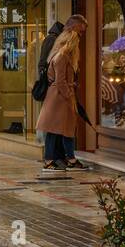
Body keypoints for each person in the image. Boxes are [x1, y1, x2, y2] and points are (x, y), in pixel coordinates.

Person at [38, 17, 85, 174]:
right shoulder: (62, 56)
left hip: (60, 97)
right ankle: (51, 160)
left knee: (65, 129)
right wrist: (69, 94)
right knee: (56, 129)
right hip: (59, 98)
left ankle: (67, 158)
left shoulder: (63, 56)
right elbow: (60, 81)